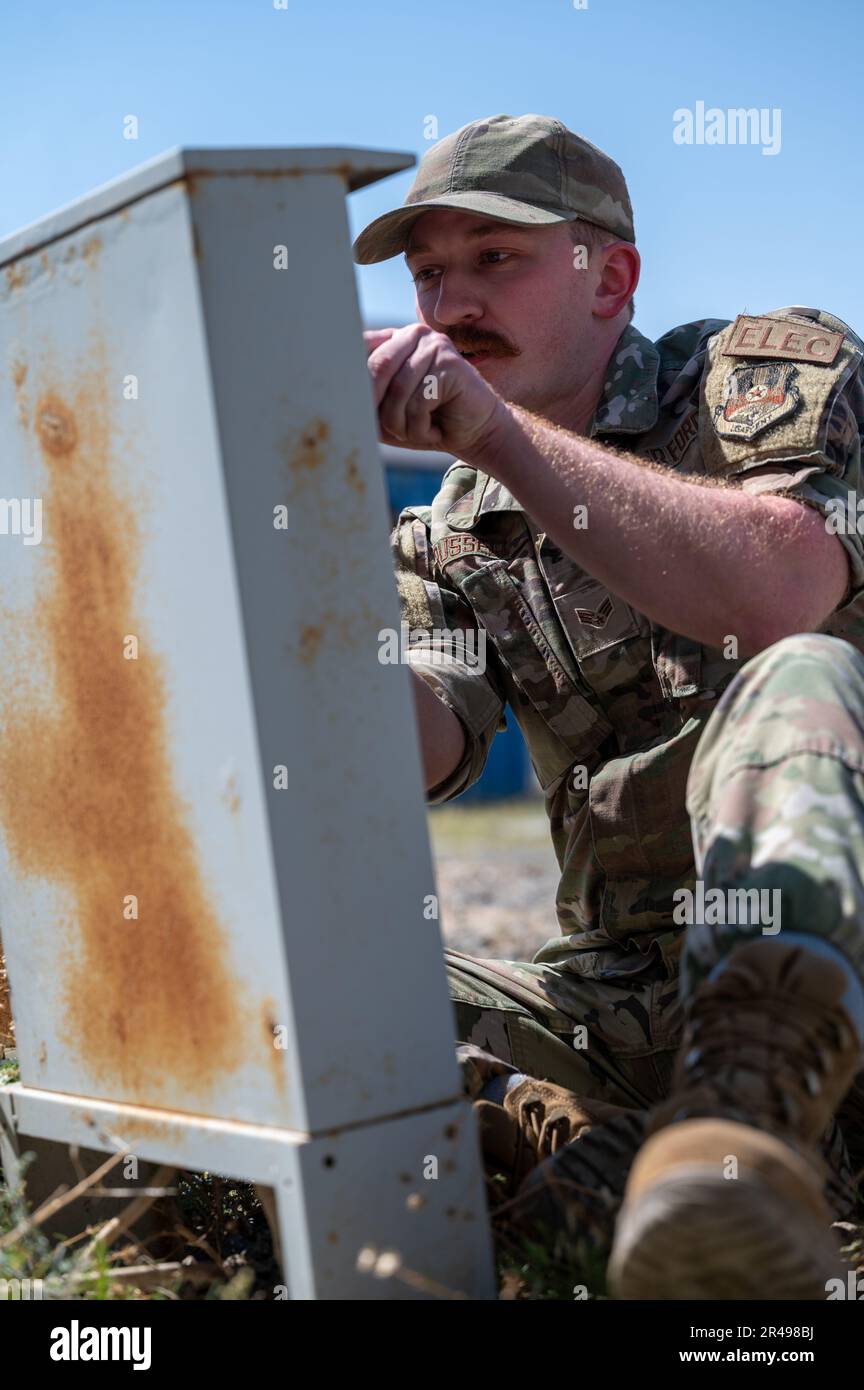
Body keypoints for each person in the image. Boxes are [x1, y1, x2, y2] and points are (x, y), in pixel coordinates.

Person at [355, 113, 864, 1300]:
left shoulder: (757, 379)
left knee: (802, 675)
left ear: (610, 277)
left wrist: (501, 435)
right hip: (629, 999)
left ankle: (735, 1132)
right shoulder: (441, 536)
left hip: (833, 962)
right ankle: (617, 1164)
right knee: (316, 1004)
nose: (451, 300)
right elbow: (413, 744)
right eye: (430, 272)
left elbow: (781, 590)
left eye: (496, 258)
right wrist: (289, 578)